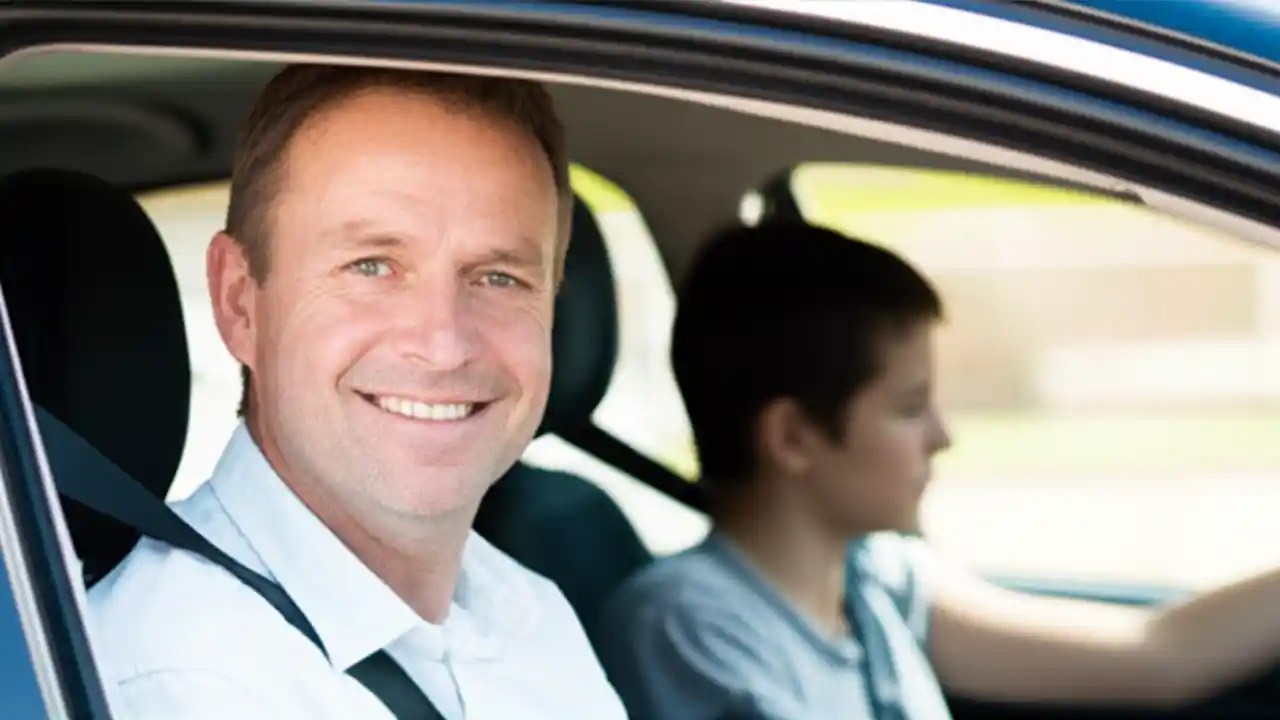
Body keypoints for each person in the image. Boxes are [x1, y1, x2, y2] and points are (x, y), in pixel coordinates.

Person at [88, 64, 626, 719]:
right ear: (240, 302)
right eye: (371, 266)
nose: (443, 344)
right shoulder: (183, 678)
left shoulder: (527, 612)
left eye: (498, 278)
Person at [599, 221, 1280, 720]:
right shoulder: (687, 626)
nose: (942, 436)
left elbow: (1157, 656)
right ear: (794, 437)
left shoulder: (877, 582)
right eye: (909, 408)